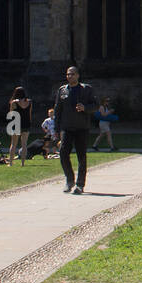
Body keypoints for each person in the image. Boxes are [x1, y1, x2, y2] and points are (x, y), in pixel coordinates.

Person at [53, 65, 96, 194]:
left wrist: (85, 108)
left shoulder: (86, 89)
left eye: (72, 74)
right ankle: (69, 180)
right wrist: (56, 128)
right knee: (63, 153)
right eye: (68, 74)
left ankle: (80, 184)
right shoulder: (62, 90)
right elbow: (57, 110)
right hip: (67, 127)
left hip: (82, 127)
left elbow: (95, 105)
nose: (69, 76)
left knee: (81, 156)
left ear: (77, 75)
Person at [6, 86, 32, 167]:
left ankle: (10, 163)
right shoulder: (29, 102)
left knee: (13, 144)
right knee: (24, 144)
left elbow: (11, 113)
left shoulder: (14, 102)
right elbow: (30, 113)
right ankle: (23, 163)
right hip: (26, 123)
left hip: (16, 123)